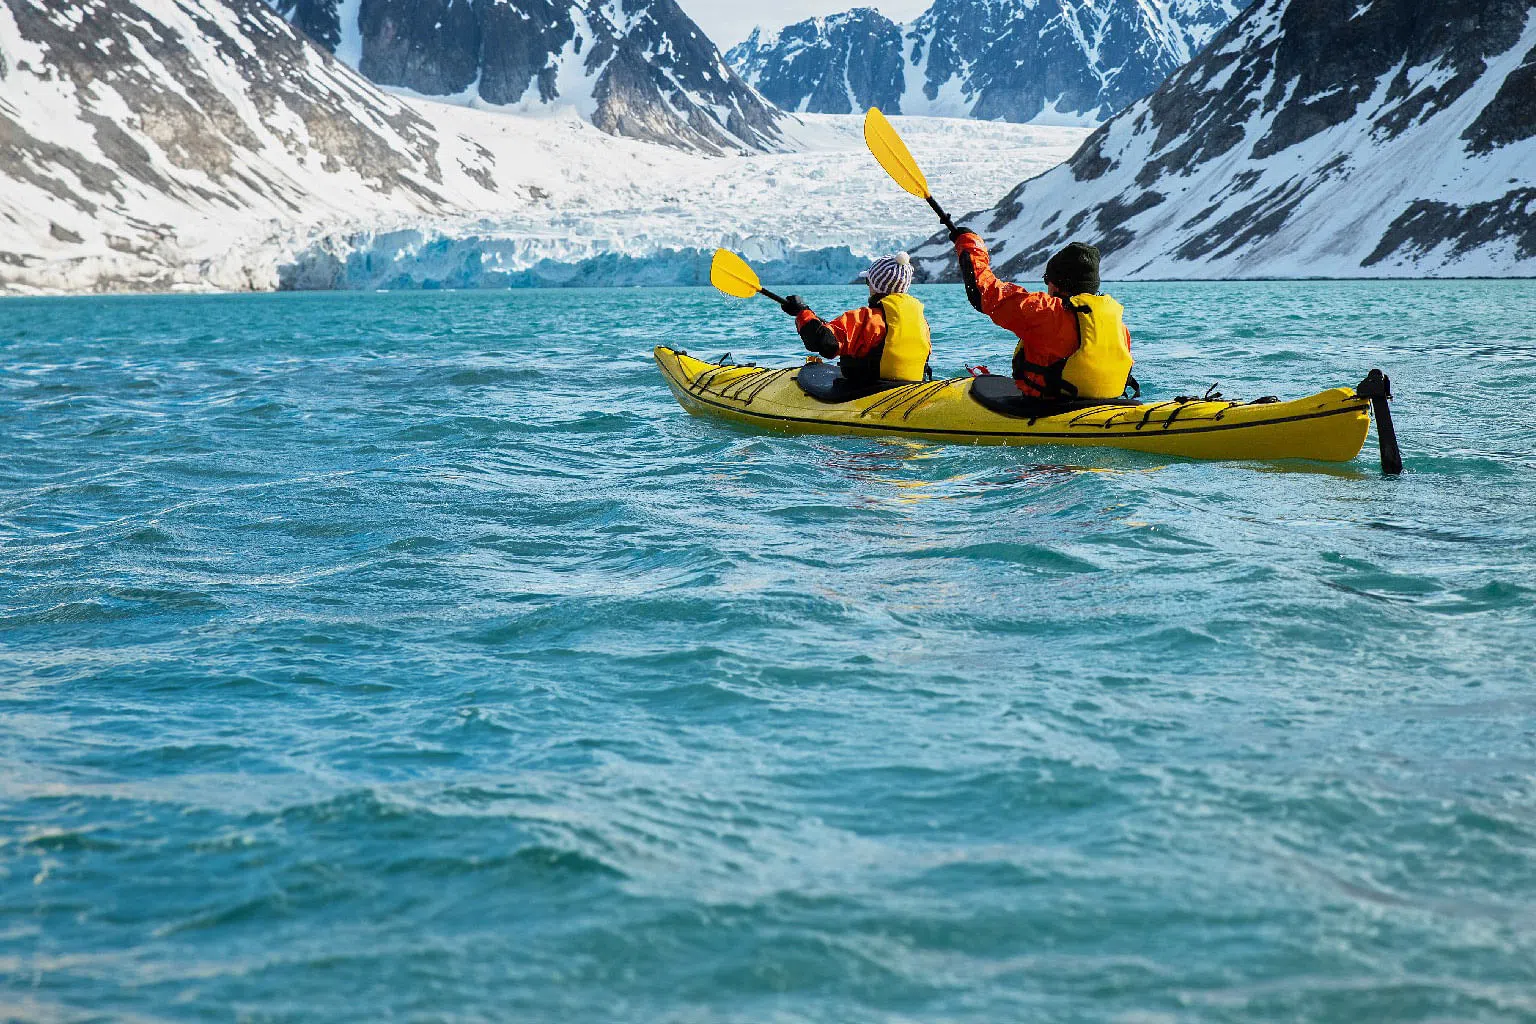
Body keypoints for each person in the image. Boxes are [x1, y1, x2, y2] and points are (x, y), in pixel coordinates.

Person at [951, 230, 1134, 401]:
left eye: (1047, 280)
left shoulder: (1047, 312)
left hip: (1047, 408)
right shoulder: (1117, 324)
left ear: (1057, 285)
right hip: (1107, 402)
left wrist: (969, 242)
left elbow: (983, 292)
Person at [778, 253, 932, 388]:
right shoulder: (921, 321)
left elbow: (824, 344)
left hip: (867, 389)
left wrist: (802, 313)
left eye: (868, 282)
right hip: (911, 387)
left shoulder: (865, 319)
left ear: (875, 286)